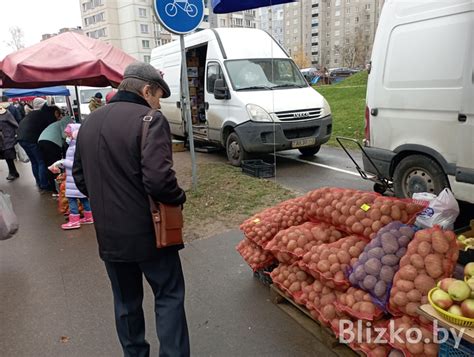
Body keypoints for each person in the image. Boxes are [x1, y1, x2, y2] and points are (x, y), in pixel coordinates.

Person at [73, 62, 189, 356]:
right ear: (147, 89)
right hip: (150, 233)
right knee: (169, 296)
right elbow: (159, 180)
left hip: (109, 235)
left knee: (126, 304)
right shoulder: (150, 119)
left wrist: (104, 199)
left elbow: (79, 177)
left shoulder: (90, 122)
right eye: (158, 95)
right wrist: (179, 197)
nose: (158, 102)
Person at [50, 123, 93, 229]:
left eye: (69, 135)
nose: (67, 138)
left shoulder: (73, 147)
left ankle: (74, 220)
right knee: (83, 198)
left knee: (71, 198)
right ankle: (89, 217)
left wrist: (61, 162)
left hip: (72, 178)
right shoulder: (79, 145)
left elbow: (73, 163)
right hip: (76, 178)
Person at [17, 97, 56, 191]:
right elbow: (49, 127)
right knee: (40, 161)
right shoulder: (42, 114)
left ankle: (39, 182)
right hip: (30, 139)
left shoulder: (31, 114)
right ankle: (44, 184)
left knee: (34, 162)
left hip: (21, 138)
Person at [38, 106, 74, 193]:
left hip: (41, 141)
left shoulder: (57, 123)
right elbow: (64, 135)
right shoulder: (65, 123)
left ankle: (52, 186)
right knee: (55, 165)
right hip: (51, 143)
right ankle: (57, 188)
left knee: (48, 164)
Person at [0, 104, 20, 181]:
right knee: (5, 154)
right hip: (1, 140)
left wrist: (17, 134)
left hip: (7, 137)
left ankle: (12, 173)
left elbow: (15, 124)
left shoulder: (5, 113)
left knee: (8, 154)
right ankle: (14, 172)